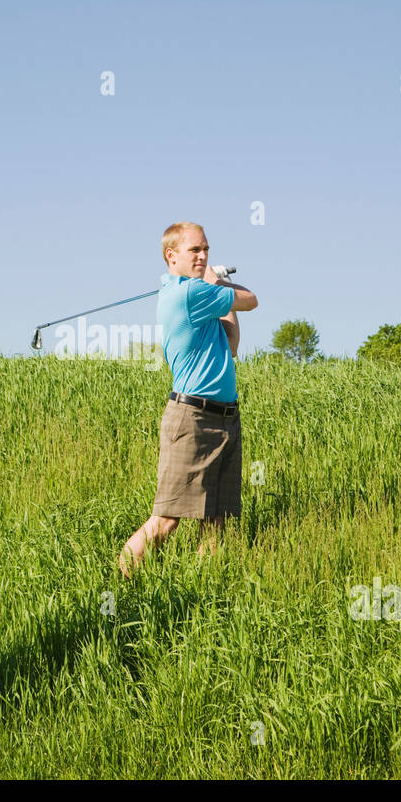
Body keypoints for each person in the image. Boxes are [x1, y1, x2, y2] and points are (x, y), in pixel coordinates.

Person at [120, 222, 258, 577]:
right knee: (166, 520)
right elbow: (251, 300)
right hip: (192, 418)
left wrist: (217, 290)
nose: (202, 256)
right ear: (171, 255)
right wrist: (219, 283)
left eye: (206, 249)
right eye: (194, 250)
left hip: (225, 418)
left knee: (215, 522)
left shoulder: (200, 296)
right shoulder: (188, 294)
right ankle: (119, 585)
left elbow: (231, 345)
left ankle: (201, 596)